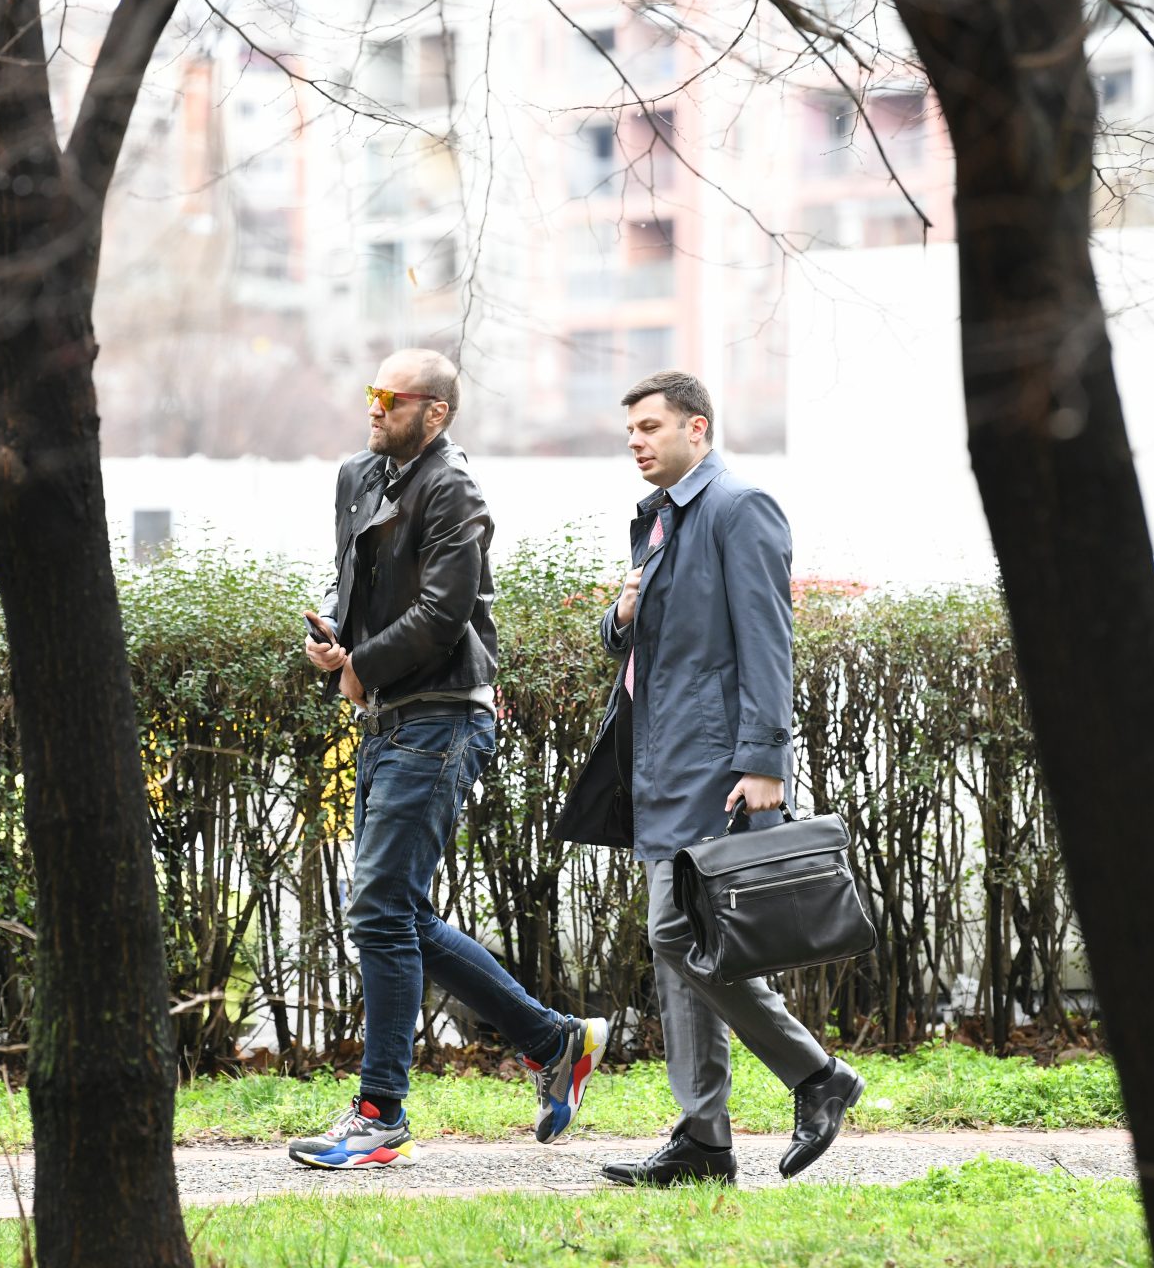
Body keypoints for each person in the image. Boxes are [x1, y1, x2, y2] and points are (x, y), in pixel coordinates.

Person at [287, 348, 609, 1170]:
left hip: (441, 718)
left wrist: (363, 666)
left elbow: (444, 613)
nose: (374, 407)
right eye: (370, 391)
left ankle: (380, 1112)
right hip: (389, 717)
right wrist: (335, 640)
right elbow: (352, 584)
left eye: (391, 397)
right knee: (395, 912)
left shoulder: (452, 488)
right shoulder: (360, 476)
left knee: (380, 911)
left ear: (435, 413)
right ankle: (553, 1039)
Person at [554, 369, 862, 1186]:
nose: (636, 441)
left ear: (698, 429)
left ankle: (816, 1075)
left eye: (651, 427)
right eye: (630, 431)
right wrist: (617, 618)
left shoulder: (737, 507)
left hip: (715, 769)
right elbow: (647, 644)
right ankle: (704, 1140)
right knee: (680, 954)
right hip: (661, 767)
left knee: (677, 935)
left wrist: (765, 760)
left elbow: (768, 641)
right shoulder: (658, 522)